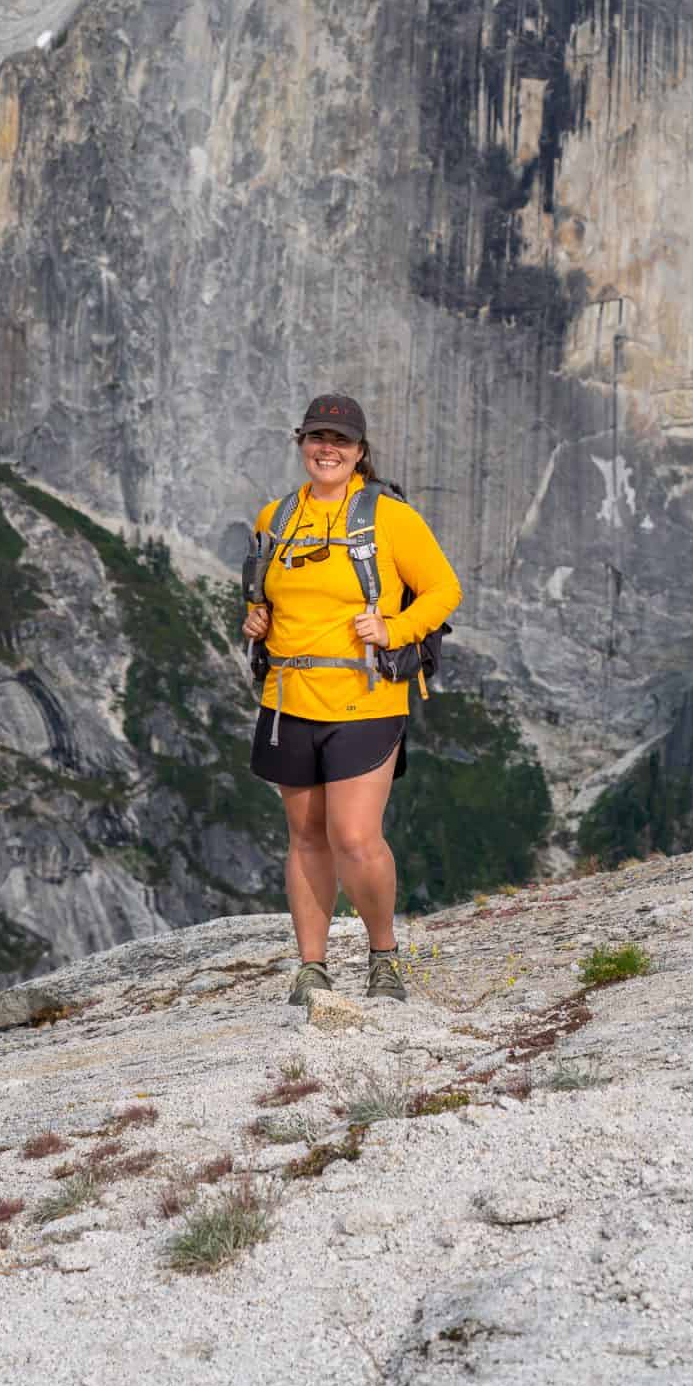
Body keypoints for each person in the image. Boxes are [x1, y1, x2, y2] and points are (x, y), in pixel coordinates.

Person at [243, 393, 461, 1003]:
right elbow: (266, 595)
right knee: (306, 837)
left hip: (366, 698)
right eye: (317, 437)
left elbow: (443, 589)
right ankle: (311, 968)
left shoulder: (390, 517)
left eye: (340, 441)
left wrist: (396, 628)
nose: (327, 449)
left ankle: (383, 957)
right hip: (288, 699)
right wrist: (255, 619)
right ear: (302, 443)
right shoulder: (276, 517)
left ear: (360, 452)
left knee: (356, 837)